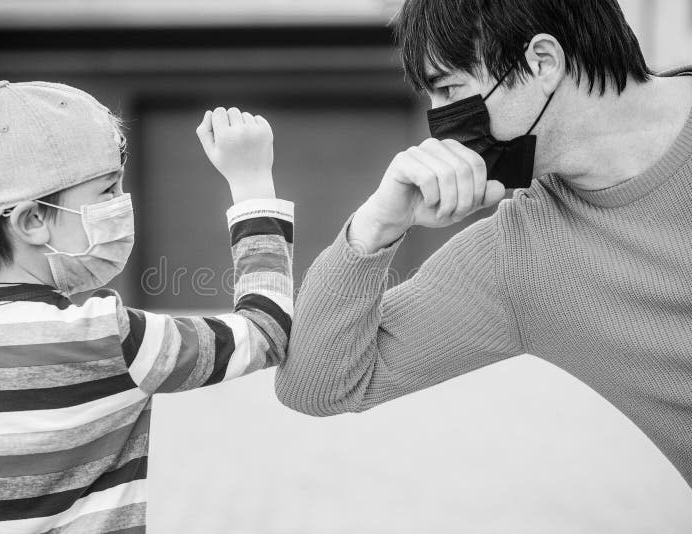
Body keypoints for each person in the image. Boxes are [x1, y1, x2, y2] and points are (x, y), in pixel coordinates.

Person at [275, 0, 692, 489]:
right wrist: (375, 228)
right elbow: (314, 382)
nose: (439, 124)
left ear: (542, 63)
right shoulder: (522, 255)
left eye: (449, 88)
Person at [0, 81, 293, 533]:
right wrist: (253, 183)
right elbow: (266, 330)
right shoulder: (106, 336)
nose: (123, 204)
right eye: (107, 191)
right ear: (31, 220)